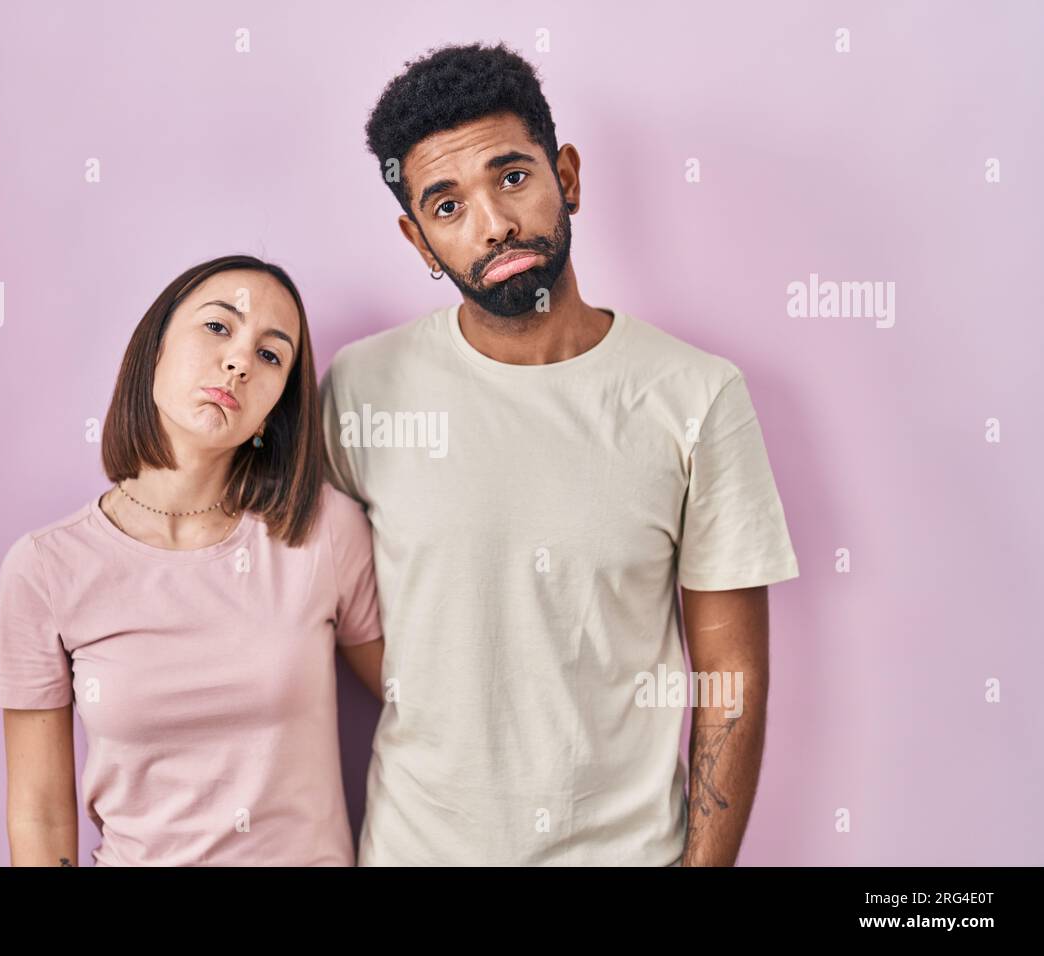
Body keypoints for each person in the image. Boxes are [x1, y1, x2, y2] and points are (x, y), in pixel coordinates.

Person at [320, 43, 799, 866]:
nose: (495, 224)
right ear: (418, 241)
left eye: (512, 177)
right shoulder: (362, 387)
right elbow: (319, 599)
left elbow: (729, 687)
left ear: (565, 176)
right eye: (447, 206)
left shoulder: (696, 395)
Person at [0, 254, 385, 866]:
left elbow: (415, 697)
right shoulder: (44, 568)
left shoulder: (323, 530)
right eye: (218, 327)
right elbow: (39, 811)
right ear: (156, 348)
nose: (239, 362)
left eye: (271, 354)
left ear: (275, 407)